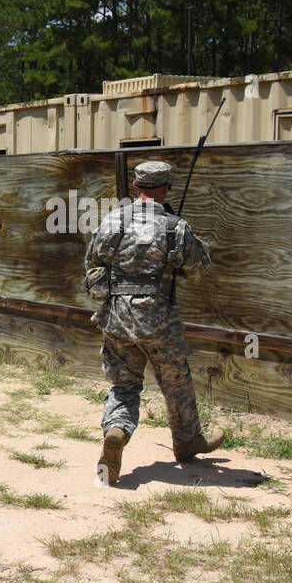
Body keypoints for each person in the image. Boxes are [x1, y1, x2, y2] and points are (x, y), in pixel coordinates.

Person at [84, 159, 224, 484]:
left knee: (124, 385)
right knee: (176, 383)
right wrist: (194, 244)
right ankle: (187, 441)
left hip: (117, 317)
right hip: (158, 319)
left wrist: (109, 294)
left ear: (136, 187)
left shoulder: (112, 221)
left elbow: (93, 262)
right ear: (166, 188)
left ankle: (117, 430)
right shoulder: (176, 227)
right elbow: (199, 271)